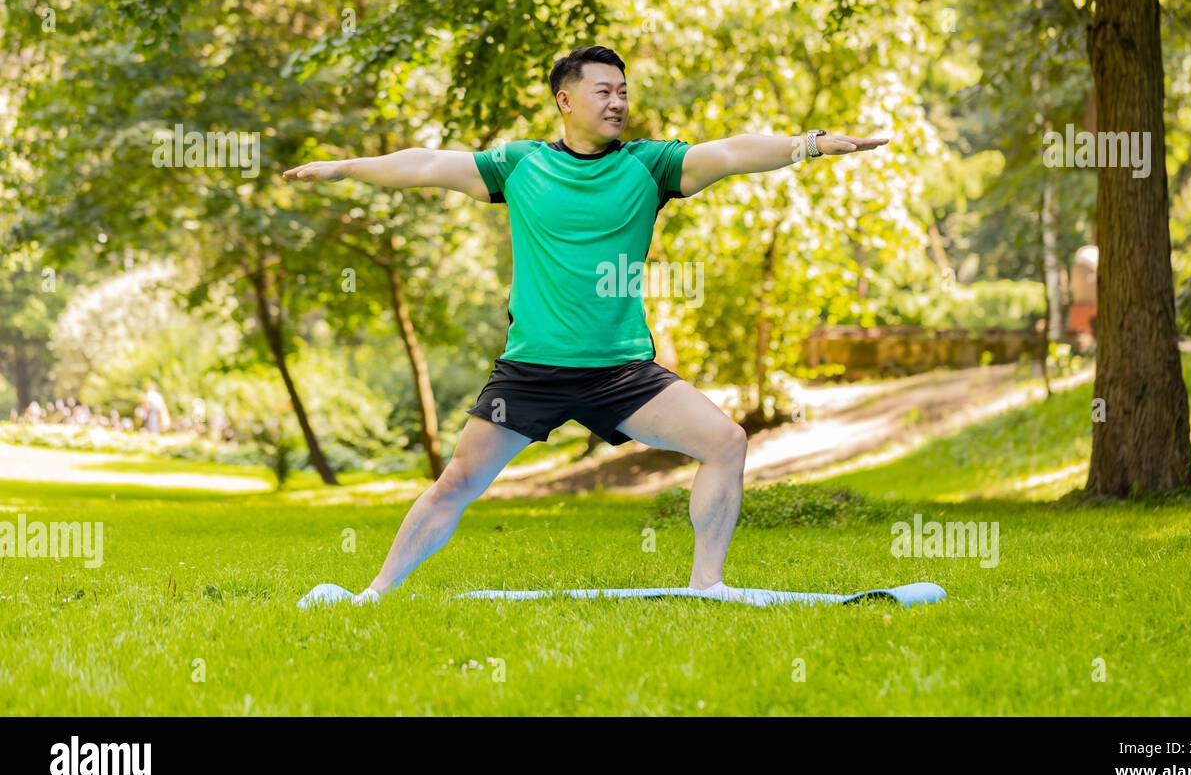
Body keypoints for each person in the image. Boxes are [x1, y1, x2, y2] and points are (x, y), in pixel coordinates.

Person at [284, 45, 887, 604]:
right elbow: (428, 164)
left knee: (726, 442)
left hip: (621, 373)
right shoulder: (519, 166)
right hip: (531, 371)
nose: (618, 102)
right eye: (603, 92)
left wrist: (810, 143)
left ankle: (708, 584)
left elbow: (728, 153)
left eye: (623, 91)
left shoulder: (650, 166)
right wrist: (346, 167)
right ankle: (375, 594)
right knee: (457, 483)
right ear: (565, 100)